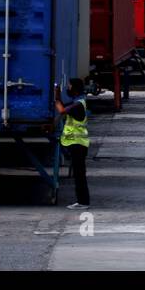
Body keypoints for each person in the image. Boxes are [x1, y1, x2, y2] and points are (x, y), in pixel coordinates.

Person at [55, 79, 90, 210]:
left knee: (80, 174)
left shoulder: (79, 105)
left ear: (74, 88)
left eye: (69, 86)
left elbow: (62, 110)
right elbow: (65, 108)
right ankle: (82, 201)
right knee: (79, 173)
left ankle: (83, 202)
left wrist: (56, 98)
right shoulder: (78, 101)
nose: (68, 88)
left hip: (78, 144)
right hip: (77, 144)